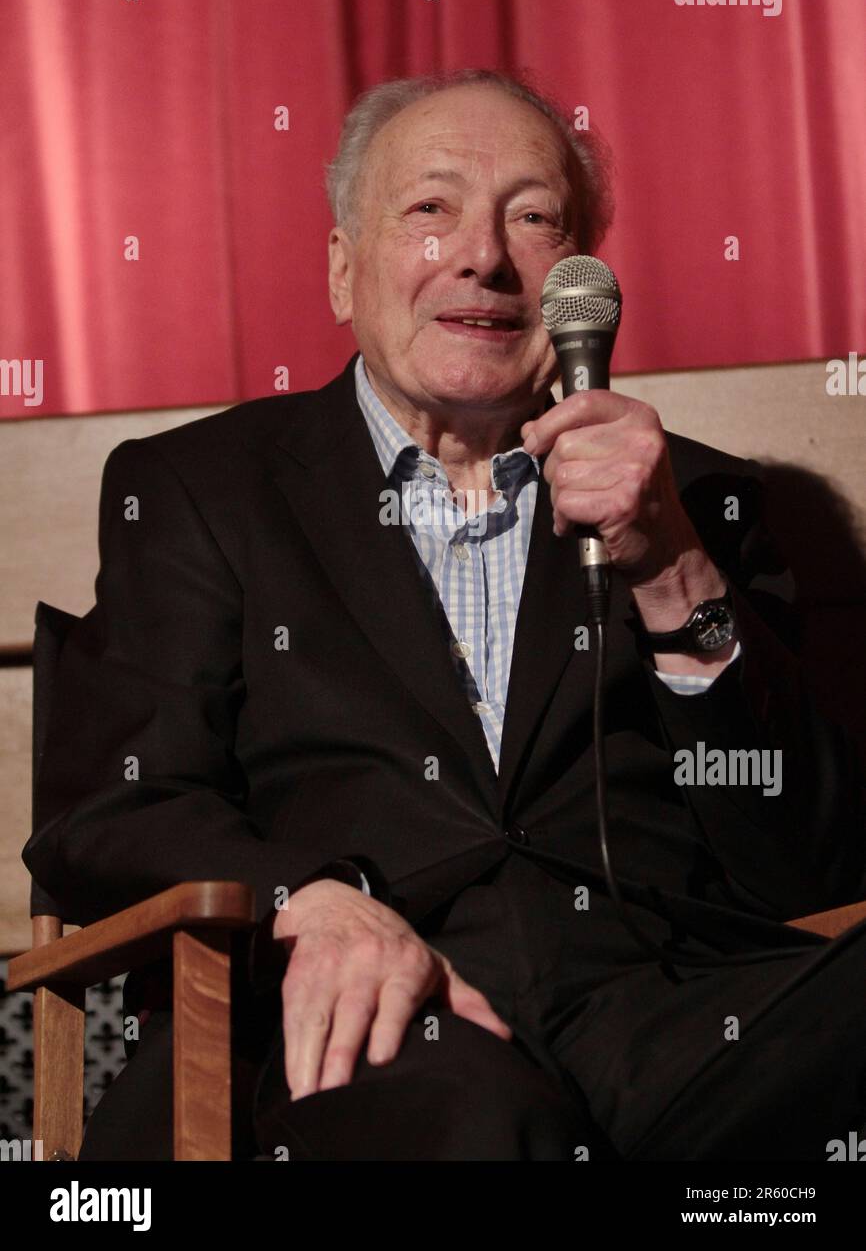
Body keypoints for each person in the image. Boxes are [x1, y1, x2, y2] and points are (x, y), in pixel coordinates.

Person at [24, 68, 866, 1161]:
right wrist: (309, 899)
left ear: (579, 283)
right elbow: (110, 812)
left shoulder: (690, 502)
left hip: (664, 1024)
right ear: (341, 266)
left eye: (530, 217)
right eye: (430, 209)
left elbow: (811, 857)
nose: (482, 255)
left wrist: (671, 570)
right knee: (467, 1127)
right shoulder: (205, 488)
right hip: (367, 1019)